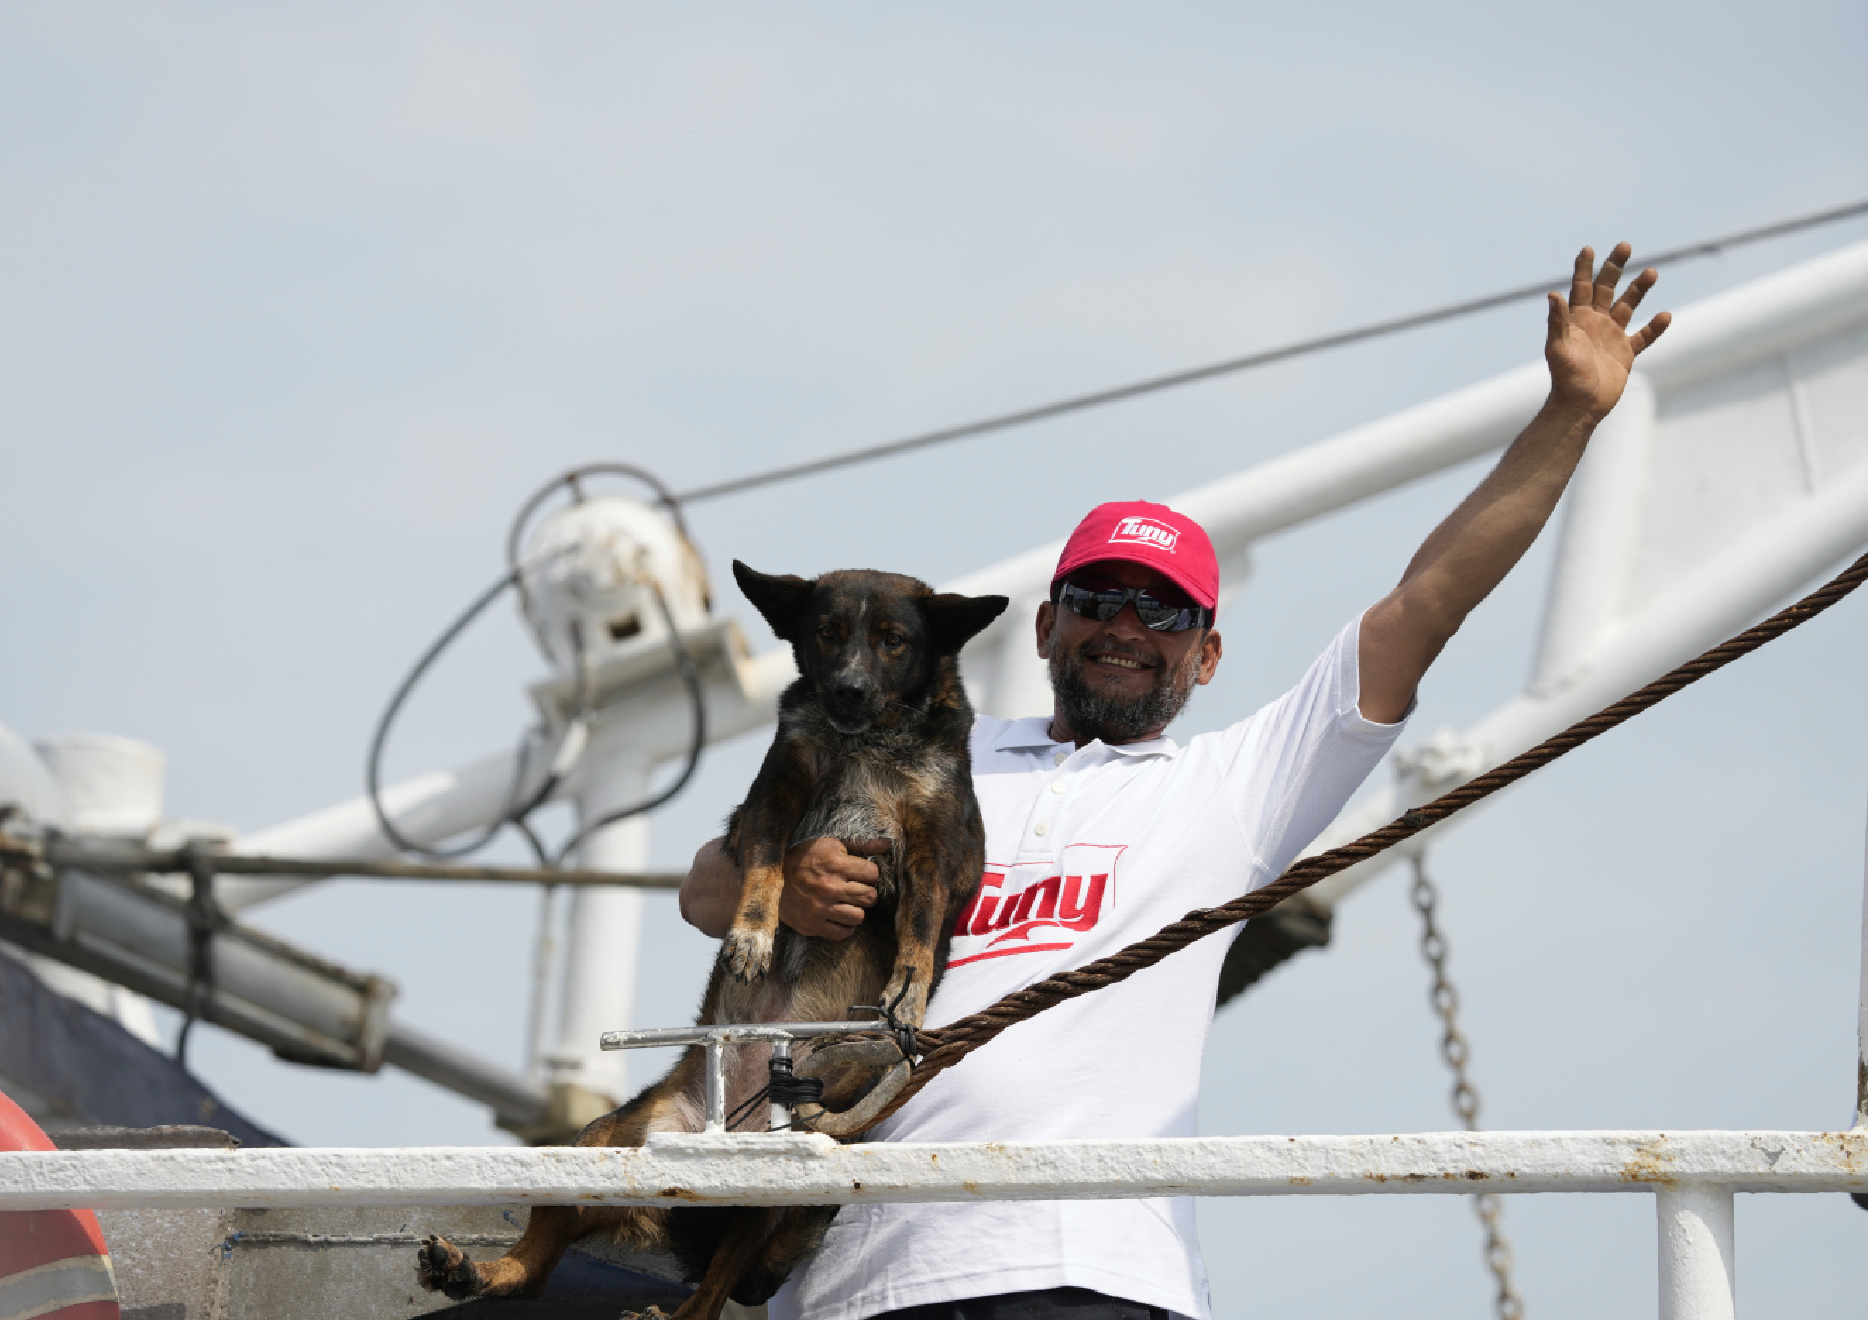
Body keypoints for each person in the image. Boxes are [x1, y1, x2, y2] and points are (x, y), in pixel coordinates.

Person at [678, 244, 1670, 1320]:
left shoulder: (1232, 788)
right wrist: (788, 880)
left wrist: (1569, 414)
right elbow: (703, 890)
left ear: (1207, 656)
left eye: (1165, 613)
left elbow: (1423, 606)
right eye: (1100, 597)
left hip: (1086, 1273)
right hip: (842, 1283)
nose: (1126, 628)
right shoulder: (929, 761)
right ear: (1048, 624)